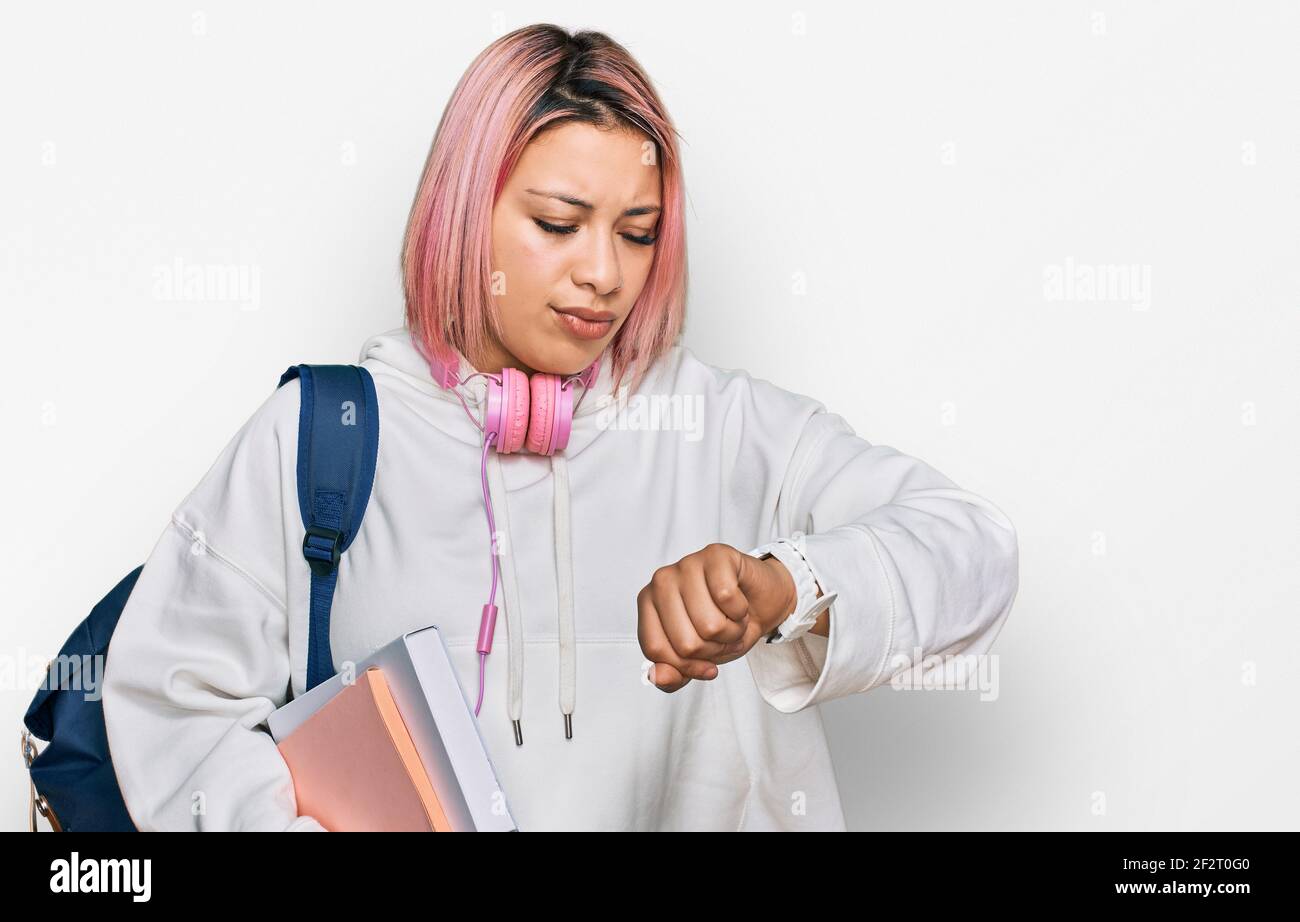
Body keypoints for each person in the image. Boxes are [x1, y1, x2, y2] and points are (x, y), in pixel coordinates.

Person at [101, 23, 1019, 831]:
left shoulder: (721, 429)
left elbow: (974, 546)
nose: (604, 275)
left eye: (638, 231)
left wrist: (785, 588)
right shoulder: (321, 435)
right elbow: (170, 708)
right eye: (558, 222)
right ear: (464, 216)